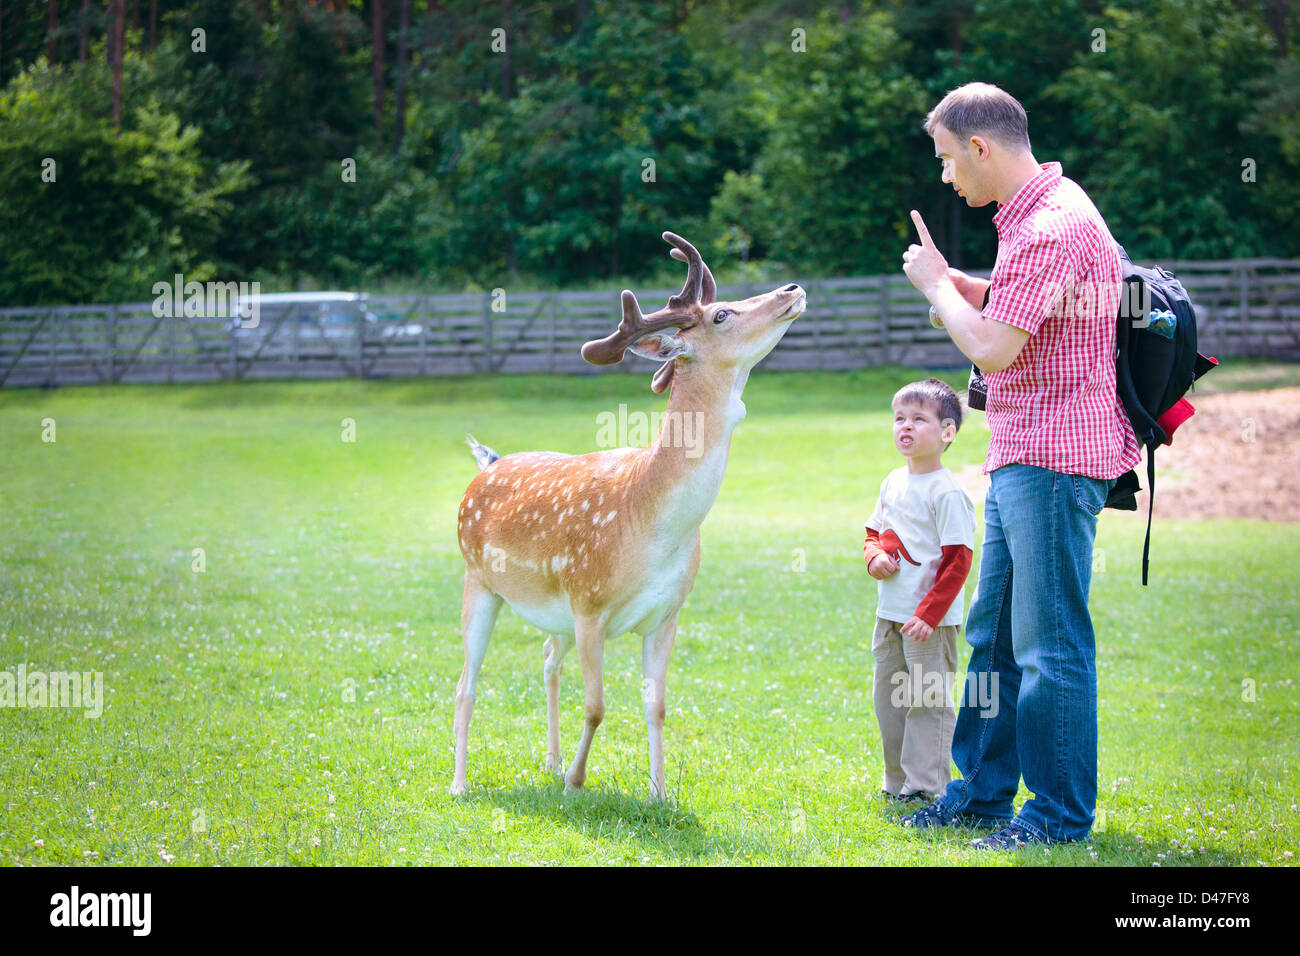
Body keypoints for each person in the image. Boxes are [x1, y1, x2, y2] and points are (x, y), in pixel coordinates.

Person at [898, 82, 1140, 849]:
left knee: (1049, 644)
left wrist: (938, 288)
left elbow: (993, 347)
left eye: (946, 159)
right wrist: (962, 286)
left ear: (980, 147)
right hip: (1022, 455)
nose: (945, 178)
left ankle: (1057, 816)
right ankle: (981, 796)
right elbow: (1018, 313)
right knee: (994, 640)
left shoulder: (1051, 226)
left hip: (1056, 459)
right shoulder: (1042, 212)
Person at [864, 378, 976, 805]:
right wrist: (873, 556)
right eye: (899, 419)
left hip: (930, 624)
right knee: (888, 702)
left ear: (947, 433)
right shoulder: (893, 481)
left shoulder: (946, 493)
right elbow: (875, 532)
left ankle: (928, 788)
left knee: (927, 703)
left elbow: (957, 561)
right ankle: (896, 782)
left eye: (918, 419)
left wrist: (928, 615)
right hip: (890, 615)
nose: (905, 427)